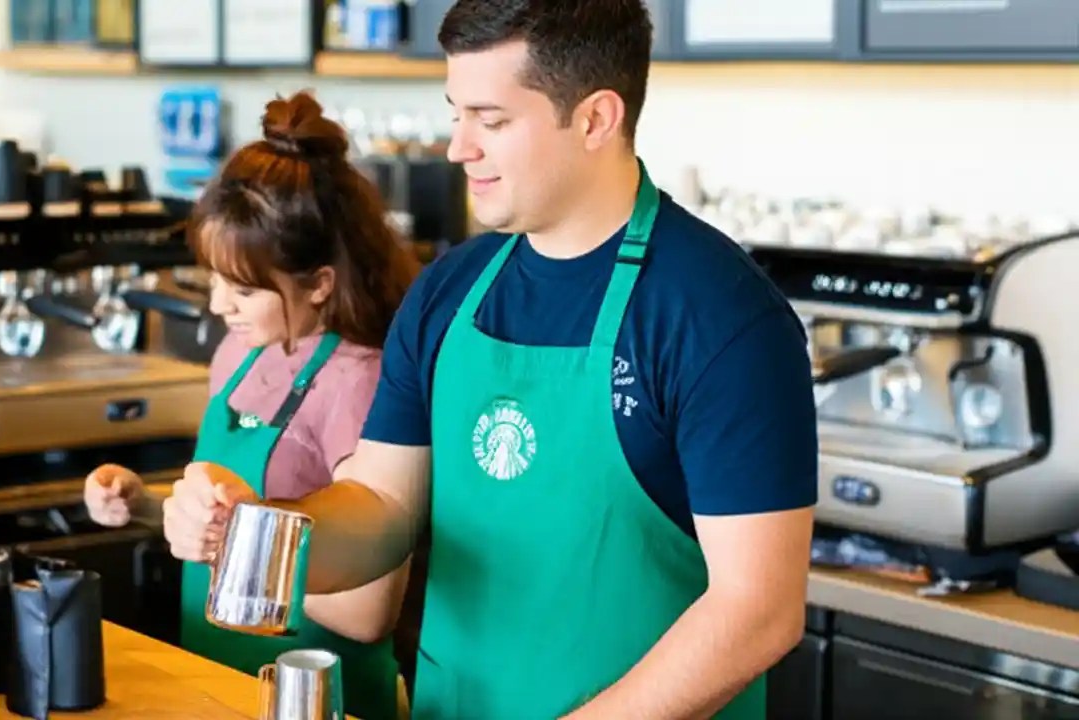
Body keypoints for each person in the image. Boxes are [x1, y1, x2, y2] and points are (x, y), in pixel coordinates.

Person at [176, 0, 820, 717]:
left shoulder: (721, 317)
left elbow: (757, 610)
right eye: (457, 113)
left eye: (492, 120)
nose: (458, 148)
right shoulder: (449, 292)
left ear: (595, 119)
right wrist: (260, 530)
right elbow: (384, 505)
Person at [82, 90, 421, 720]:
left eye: (242, 289)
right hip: (215, 682)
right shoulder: (240, 352)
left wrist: (233, 547)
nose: (218, 306)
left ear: (321, 283)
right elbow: (228, 517)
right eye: (212, 279)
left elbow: (368, 611)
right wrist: (150, 506)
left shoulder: (360, 381)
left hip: (315, 699)